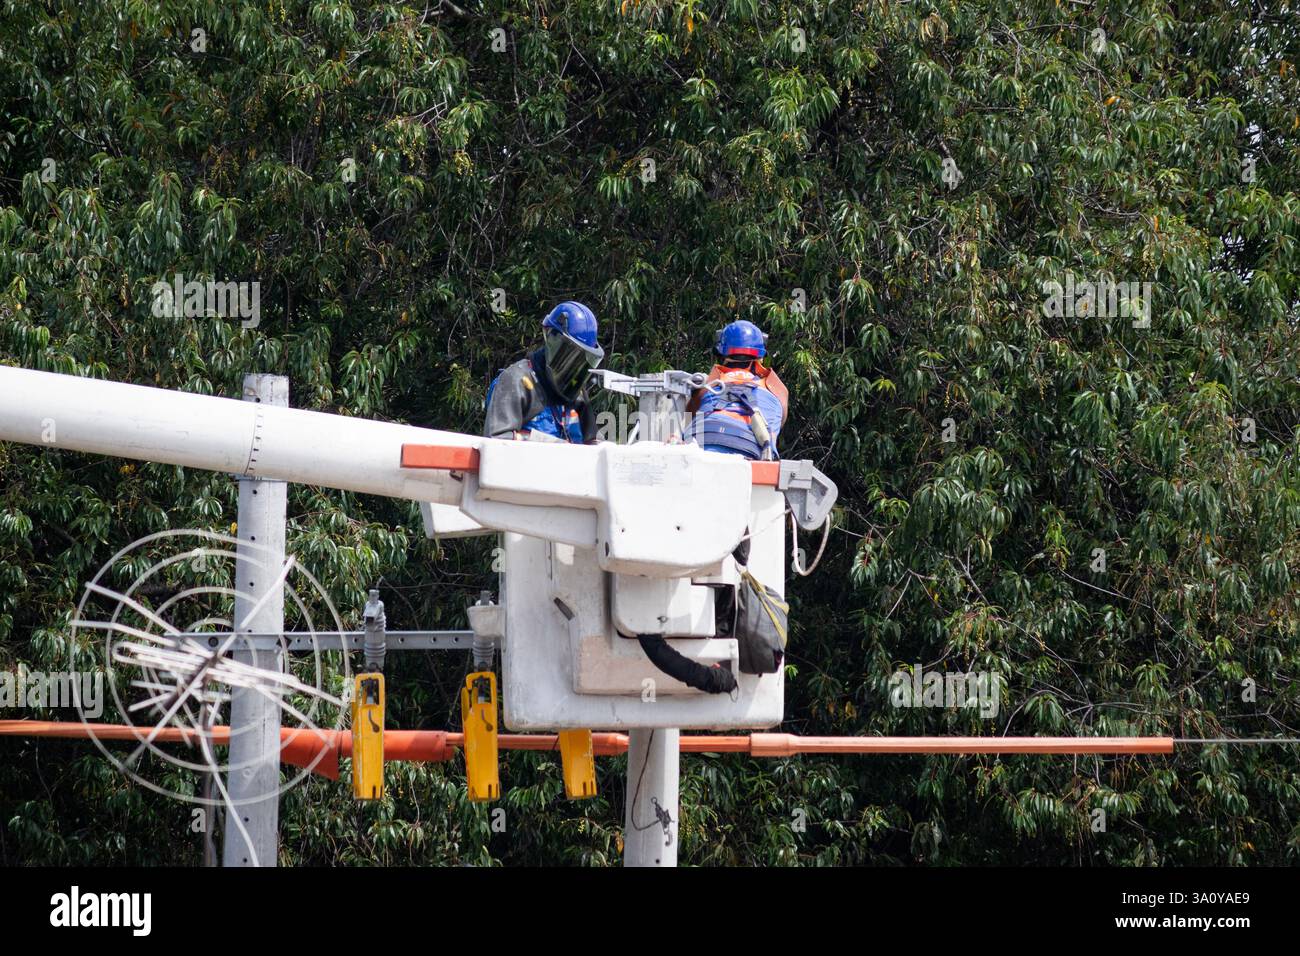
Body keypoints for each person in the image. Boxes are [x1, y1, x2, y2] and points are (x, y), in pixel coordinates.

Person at [484, 301, 604, 443]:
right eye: (570, 355)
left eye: (580, 360)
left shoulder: (575, 391)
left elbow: (594, 441)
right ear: (551, 337)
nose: (572, 366)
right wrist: (548, 444)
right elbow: (496, 441)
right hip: (526, 464)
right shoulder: (516, 381)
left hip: (572, 465)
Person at [685, 319, 788, 460]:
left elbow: (688, 416)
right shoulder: (773, 390)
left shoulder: (711, 384)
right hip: (749, 449)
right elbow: (779, 423)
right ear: (760, 356)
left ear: (721, 353)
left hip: (700, 442)